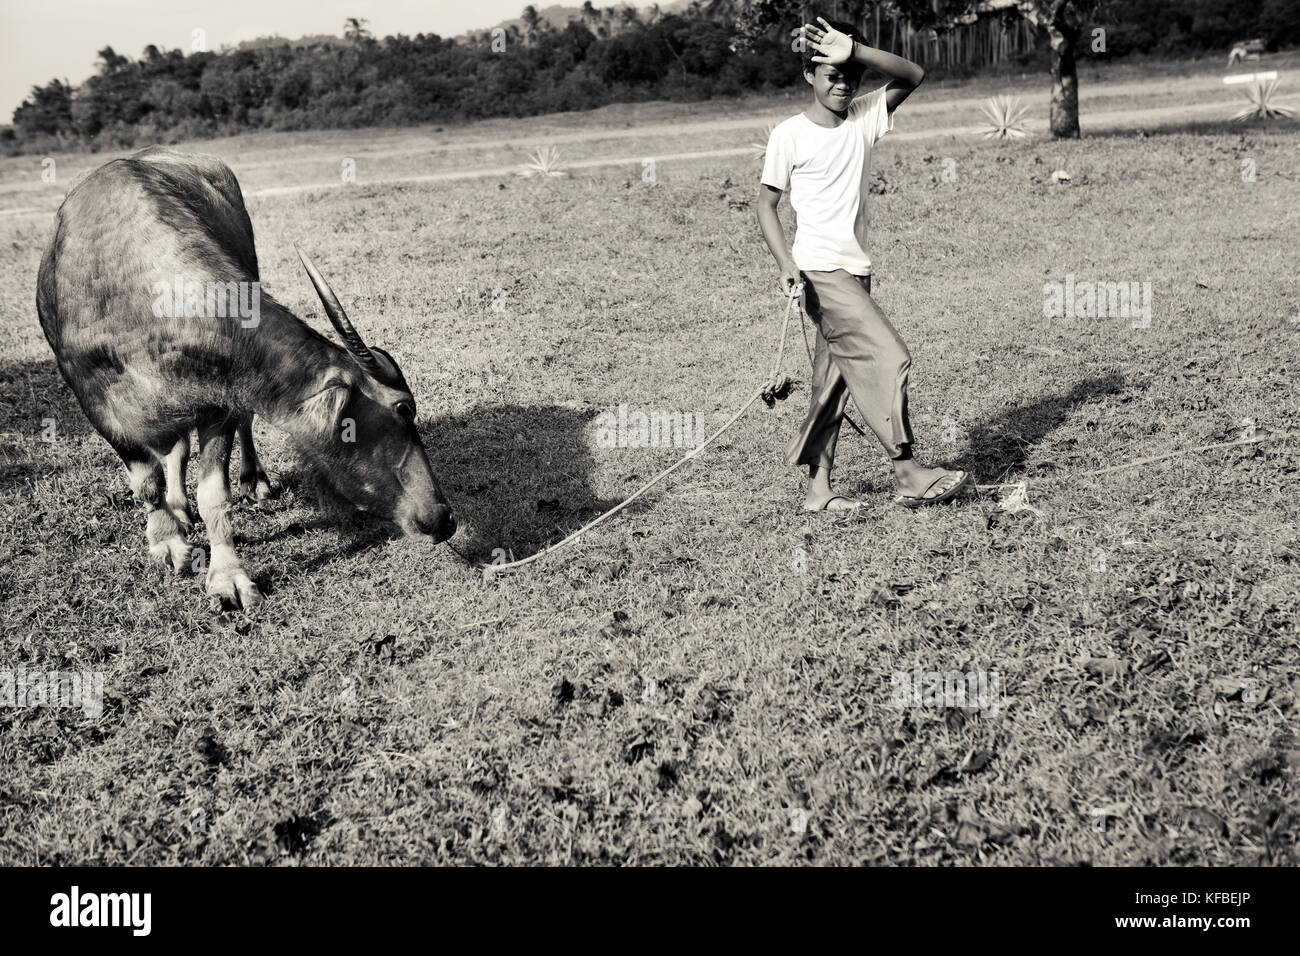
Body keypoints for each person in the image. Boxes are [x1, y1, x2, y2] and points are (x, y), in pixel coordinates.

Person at [756, 16, 971, 512]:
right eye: (830, 72)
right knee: (887, 356)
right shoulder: (789, 135)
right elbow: (765, 205)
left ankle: (817, 492)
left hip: (855, 272)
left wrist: (852, 48)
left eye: (849, 71)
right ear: (808, 75)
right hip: (818, 273)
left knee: (833, 382)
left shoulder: (866, 115)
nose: (842, 81)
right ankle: (908, 470)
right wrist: (786, 263)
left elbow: (913, 74)